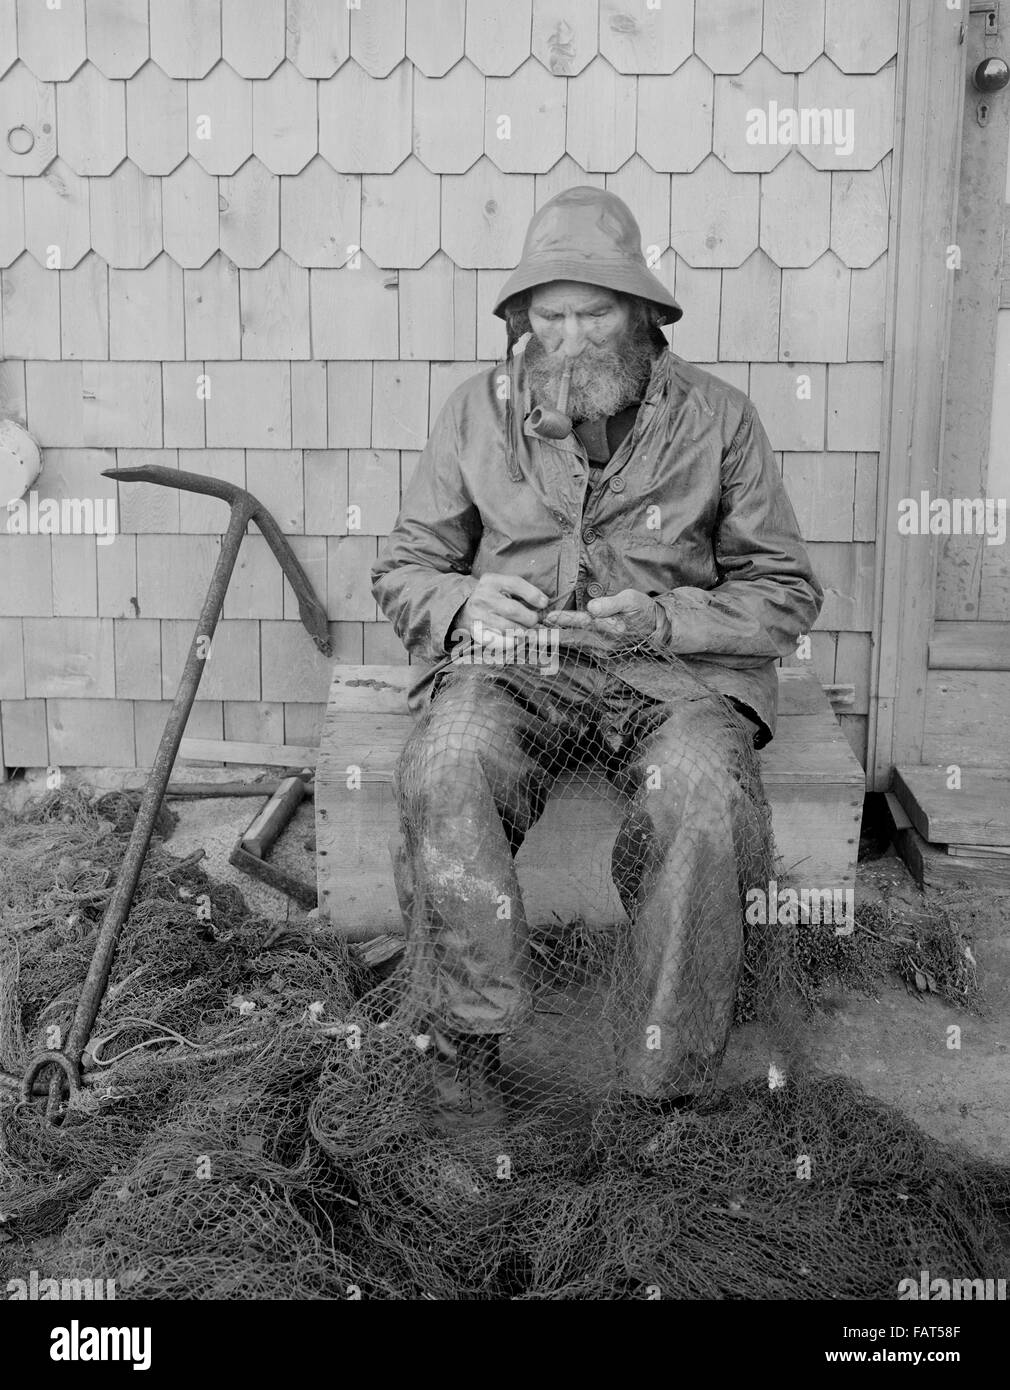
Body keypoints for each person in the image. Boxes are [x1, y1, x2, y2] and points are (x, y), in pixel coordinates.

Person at [371, 186, 823, 1129]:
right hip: (513, 671)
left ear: (643, 313)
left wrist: (666, 619)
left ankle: (664, 1086)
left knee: (704, 791)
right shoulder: (474, 413)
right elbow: (407, 565)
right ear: (523, 319)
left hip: (673, 679)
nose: (570, 339)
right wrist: (463, 601)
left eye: (594, 313)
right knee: (447, 763)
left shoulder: (721, 420)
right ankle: (470, 1045)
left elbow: (784, 591)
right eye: (551, 316)